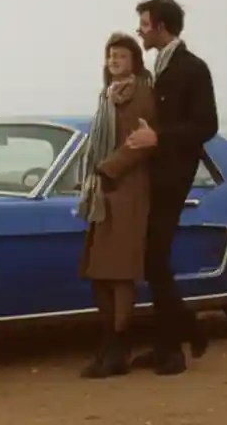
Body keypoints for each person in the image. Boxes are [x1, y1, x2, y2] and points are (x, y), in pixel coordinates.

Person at [124, 0, 219, 375]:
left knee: (155, 258)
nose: (140, 31)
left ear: (161, 27)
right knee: (153, 258)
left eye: (144, 25)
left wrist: (158, 138)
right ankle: (172, 341)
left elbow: (206, 126)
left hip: (174, 174)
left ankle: (181, 342)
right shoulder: (154, 68)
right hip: (153, 173)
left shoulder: (193, 68)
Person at [76, 32, 156, 378]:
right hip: (103, 195)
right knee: (100, 274)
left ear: (134, 62)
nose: (114, 61)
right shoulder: (105, 97)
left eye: (121, 56)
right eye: (110, 56)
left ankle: (118, 347)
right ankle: (109, 343)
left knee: (120, 274)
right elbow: (96, 142)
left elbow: (144, 141)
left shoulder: (141, 94)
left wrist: (109, 169)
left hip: (129, 191)